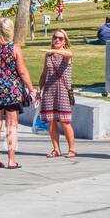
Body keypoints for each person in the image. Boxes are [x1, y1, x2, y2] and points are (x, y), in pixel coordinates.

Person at [0, 16, 34, 169]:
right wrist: (31, 88)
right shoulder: (14, 48)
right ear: (10, 31)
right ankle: (11, 160)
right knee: (12, 126)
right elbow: (22, 71)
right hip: (12, 89)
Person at [39, 29, 77, 159]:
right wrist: (39, 89)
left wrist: (53, 51)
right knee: (51, 121)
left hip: (62, 91)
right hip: (49, 90)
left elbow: (70, 54)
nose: (57, 40)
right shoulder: (48, 56)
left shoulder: (66, 54)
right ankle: (56, 149)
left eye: (60, 38)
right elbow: (44, 73)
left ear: (64, 41)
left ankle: (72, 149)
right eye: (55, 37)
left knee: (65, 121)